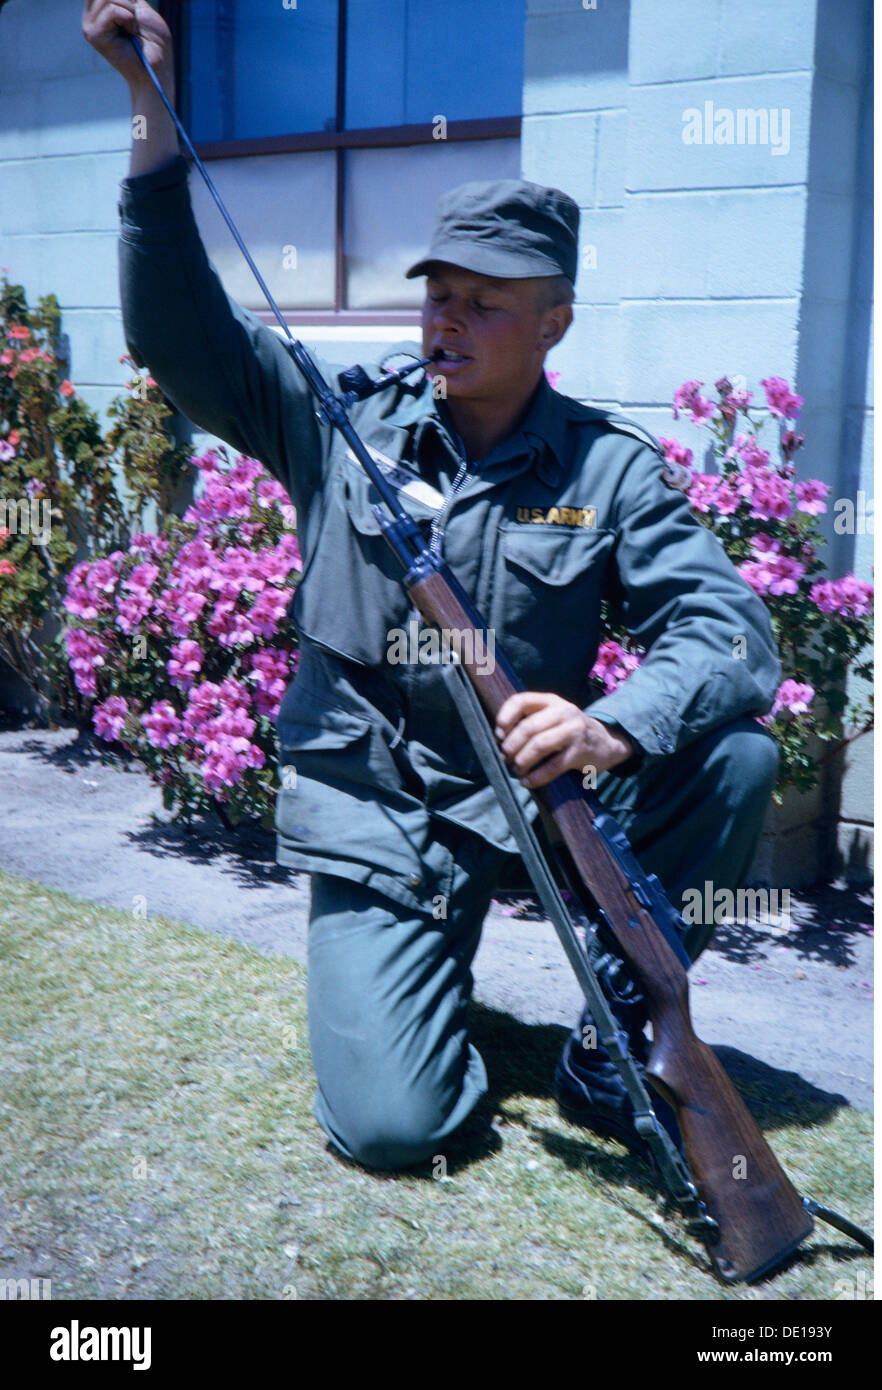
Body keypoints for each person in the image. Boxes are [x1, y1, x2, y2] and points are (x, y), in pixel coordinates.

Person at [84, 1, 781, 1172]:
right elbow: (179, 331)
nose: (445, 317)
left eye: (484, 299)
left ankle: (616, 1037)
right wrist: (152, 109)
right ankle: (415, 982)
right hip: (382, 805)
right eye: (436, 290)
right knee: (397, 1125)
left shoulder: (608, 471)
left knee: (738, 753)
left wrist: (612, 725)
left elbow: (730, 633)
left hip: (536, 801)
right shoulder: (338, 423)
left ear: (553, 321)